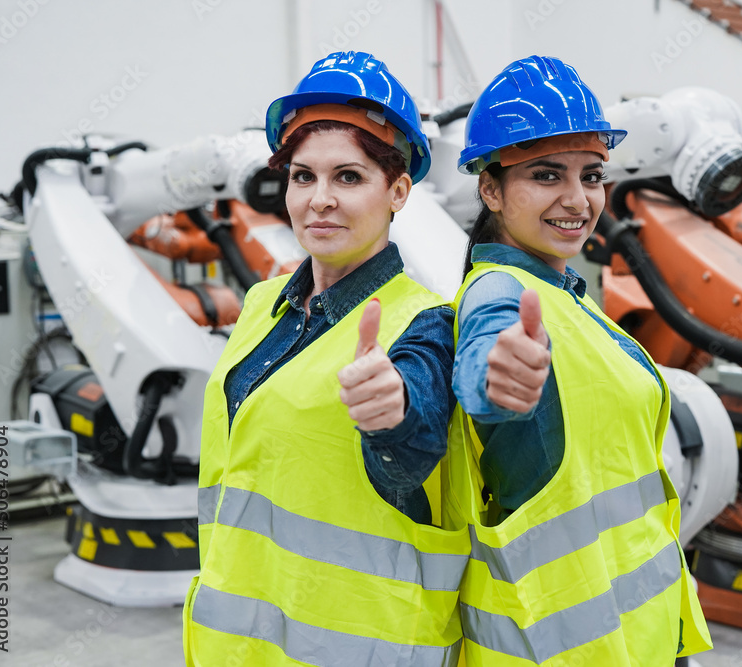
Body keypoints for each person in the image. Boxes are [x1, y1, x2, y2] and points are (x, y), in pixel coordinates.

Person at [183, 51, 468, 666]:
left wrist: (392, 413)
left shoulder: (425, 325)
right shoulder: (262, 305)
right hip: (239, 639)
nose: (320, 200)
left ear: (397, 191)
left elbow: (412, 449)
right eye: (303, 176)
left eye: (348, 177)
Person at [445, 55, 713, 665]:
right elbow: (485, 363)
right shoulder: (500, 294)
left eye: (591, 175)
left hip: (630, 635)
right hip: (559, 648)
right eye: (545, 175)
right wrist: (496, 377)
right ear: (491, 188)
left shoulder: (564, 294)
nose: (578, 199)